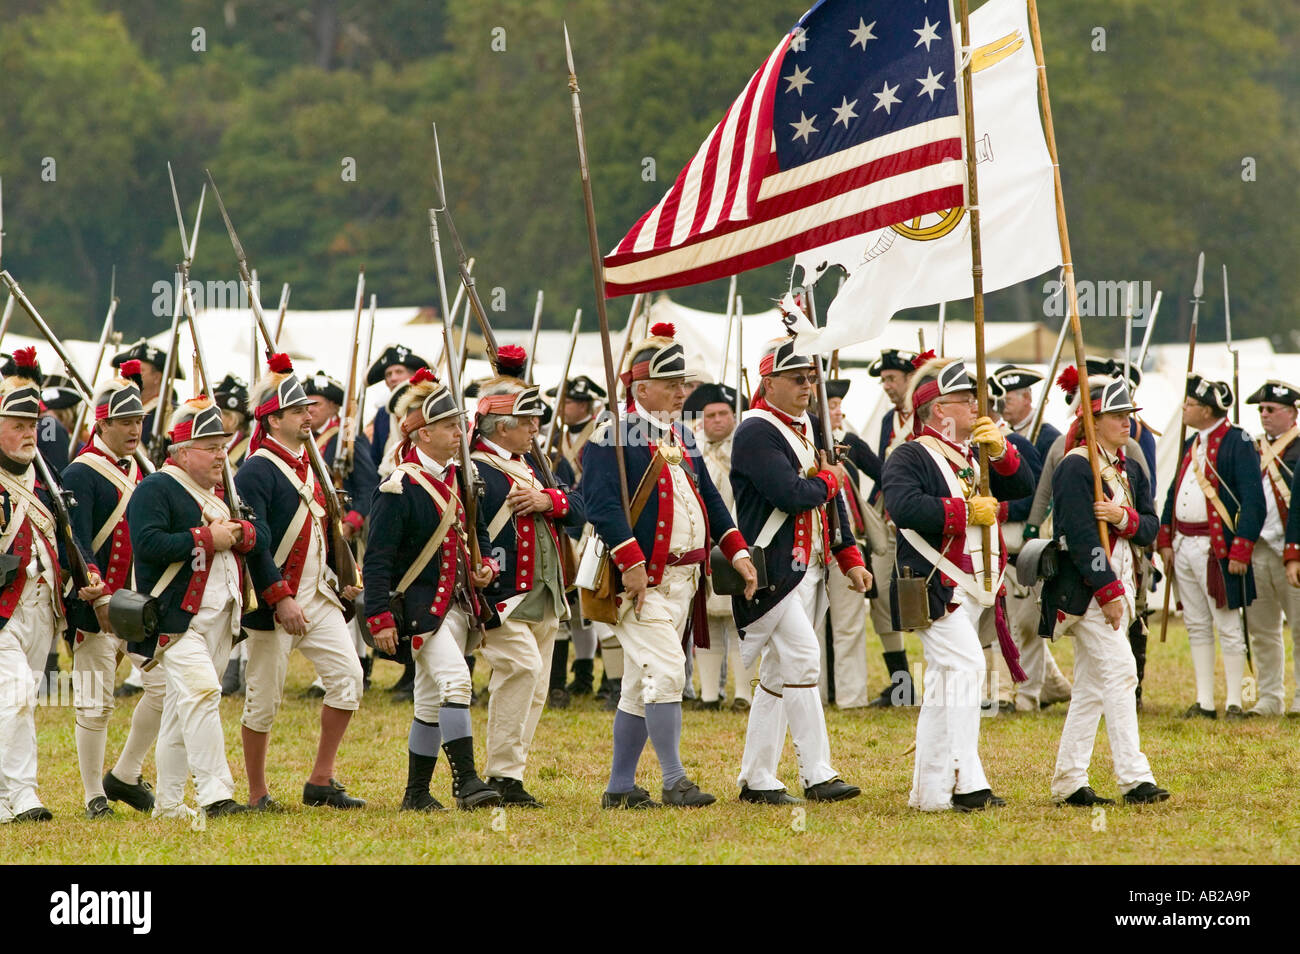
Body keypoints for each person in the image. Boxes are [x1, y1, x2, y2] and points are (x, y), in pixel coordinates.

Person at [583, 322, 756, 809]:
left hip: (686, 578)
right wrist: (632, 562)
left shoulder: (681, 434)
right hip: (639, 580)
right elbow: (601, 505)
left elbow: (710, 503)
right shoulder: (610, 436)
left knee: (640, 686)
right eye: (672, 384)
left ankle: (619, 788)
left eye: (683, 383)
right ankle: (674, 779)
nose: (683, 392)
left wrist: (737, 551)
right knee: (667, 670)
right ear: (642, 388)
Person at [882, 355, 1034, 812]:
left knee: (946, 686)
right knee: (968, 670)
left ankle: (929, 793)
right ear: (938, 409)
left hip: (971, 584)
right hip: (932, 583)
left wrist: (1003, 452)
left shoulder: (972, 455)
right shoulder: (910, 454)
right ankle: (969, 782)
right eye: (966, 401)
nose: (977, 407)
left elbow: (1024, 484)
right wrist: (965, 512)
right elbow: (904, 508)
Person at [730, 335, 869, 805]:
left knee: (776, 674)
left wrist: (848, 554)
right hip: (771, 568)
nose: (807, 385)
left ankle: (757, 777)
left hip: (806, 567)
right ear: (768, 382)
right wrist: (831, 478)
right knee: (806, 659)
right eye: (796, 378)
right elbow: (791, 493)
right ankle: (817, 773)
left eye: (810, 377)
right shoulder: (756, 431)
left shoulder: (808, 425)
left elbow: (830, 503)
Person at [364, 369, 501, 811]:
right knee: (456, 683)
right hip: (423, 609)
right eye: (448, 425)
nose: (458, 432)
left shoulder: (462, 476)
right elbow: (378, 558)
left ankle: (416, 793)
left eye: (458, 424)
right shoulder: (397, 486)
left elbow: (474, 536)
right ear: (423, 433)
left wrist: (483, 568)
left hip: (459, 605)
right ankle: (466, 783)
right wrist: (379, 615)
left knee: (427, 700)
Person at [235, 354, 366, 811]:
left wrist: (341, 572)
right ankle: (256, 793)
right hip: (276, 600)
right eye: (296, 411)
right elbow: (256, 544)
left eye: (307, 410)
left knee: (349, 679)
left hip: (318, 594)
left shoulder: (312, 463)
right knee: (263, 700)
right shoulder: (255, 469)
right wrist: (280, 598)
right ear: (272, 419)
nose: (308, 416)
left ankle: (321, 780)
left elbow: (323, 525)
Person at [1039, 376, 1168, 806]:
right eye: (1115, 415)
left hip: (1122, 584)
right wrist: (1109, 590)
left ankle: (1069, 782)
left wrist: (1121, 517)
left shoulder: (1126, 466)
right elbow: (1078, 536)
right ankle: (1134, 778)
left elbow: (1149, 525)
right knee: (1122, 673)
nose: (1126, 423)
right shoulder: (1077, 465)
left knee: (1092, 688)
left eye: (1128, 415)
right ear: (1092, 420)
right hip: (1092, 590)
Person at [128, 396, 256, 818]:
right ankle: (216, 794)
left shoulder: (222, 491)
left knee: (184, 711)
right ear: (182, 452)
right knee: (202, 695)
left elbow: (259, 535)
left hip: (221, 617)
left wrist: (243, 533)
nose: (222, 454)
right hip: (175, 617)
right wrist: (206, 538)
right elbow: (147, 544)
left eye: (223, 445)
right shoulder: (156, 488)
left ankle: (167, 805)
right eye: (211, 446)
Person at [471, 347, 585, 806]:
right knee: (522, 669)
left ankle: (510, 774)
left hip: (544, 589)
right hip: (502, 592)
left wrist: (547, 502)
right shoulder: (473, 466)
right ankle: (499, 772)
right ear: (503, 426)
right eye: (528, 421)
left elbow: (576, 506)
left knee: (535, 686)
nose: (536, 428)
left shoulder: (533, 465)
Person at [61, 360, 163, 819]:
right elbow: (76, 540)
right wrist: (98, 594)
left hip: (138, 602)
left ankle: (123, 774)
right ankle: (92, 795)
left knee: (164, 686)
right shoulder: (82, 472)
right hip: (96, 602)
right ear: (102, 422)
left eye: (139, 420)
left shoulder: (142, 469)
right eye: (125, 421)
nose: (134, 429)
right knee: (95, 701)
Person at [1158, 374, 1265, 720]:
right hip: (1184, 544)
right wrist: (1165, 537)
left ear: (1206, 410)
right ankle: (1205, 701)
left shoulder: (1238, 442)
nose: (1184, 408)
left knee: (1229, 626)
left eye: (1189, 404)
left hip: (1216, 550)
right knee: (1196, 624)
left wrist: (1241, 549)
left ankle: (1236, 701)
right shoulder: (1192, 443)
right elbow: (1175, 491)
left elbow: (1253, 501)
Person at [0, 348, 66, 822]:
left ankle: (8, 797)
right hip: (2, 608)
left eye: (32, 426)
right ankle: (24, 794)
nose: (29, 435)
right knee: (19, 692)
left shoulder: (46, 481)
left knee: (17, 701)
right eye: (18, 426)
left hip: (41, 607)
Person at [303, 369, 380, 692]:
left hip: (342, 529)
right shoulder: (306, 439)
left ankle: (347, 669)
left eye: (316, 404)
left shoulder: (348, 440)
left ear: (335, 406)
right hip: (318, 527)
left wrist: (351, 524)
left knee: (344, 593)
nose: (310, 411)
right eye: (306, 405)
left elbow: (367, 488)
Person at [682, 382, 755, 711]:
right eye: (710, 415)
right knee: (708, 624)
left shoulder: (746, 450)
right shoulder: (690, 454)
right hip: (704, 547)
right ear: (700, 421)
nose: (718, 420)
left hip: (739, 544)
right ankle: (709, 695)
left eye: (724, 413)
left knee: (741, 623)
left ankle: (743, 694)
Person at [543, 374, 607, 706]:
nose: (562, 407)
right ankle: (568, 680)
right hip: (567, 522)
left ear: (583, 404)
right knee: (570, 606)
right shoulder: (553, 435)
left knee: (590, 606)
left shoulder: (600, 431)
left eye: (566, 401)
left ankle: (592, 676)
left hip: (593, 520)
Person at [866, 348, 919, 707]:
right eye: (883, 380)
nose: (887, 386)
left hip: (918, 522)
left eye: (892, 379)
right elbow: (885, 475)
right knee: (881, 601)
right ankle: (902, 686)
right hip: (888, 521)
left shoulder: (929, 417)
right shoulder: (889, 420)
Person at [1242, 381, 1300, 716]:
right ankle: (1269, 697)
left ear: (1292, 413)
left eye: (1271, 409)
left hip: (1291, 550)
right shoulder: (1253, 449)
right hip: (1258, 547)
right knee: (1262, 629)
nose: (1264, 415)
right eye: (1261, 410)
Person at [820, 376, 876, 709]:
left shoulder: (851, 444)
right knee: (812, 628)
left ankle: (852, 696)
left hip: (847, 542)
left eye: (839, 405)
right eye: (831, 405)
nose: (838, 411)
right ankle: (815, 693)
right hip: (814, 545)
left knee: (849, 624)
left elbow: (886, 474)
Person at [111, 338, 180, 454]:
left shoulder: (170, 414)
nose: (130, 374)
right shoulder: (117, 409)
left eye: (139, 370)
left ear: (157, 377)